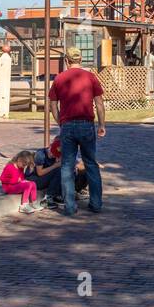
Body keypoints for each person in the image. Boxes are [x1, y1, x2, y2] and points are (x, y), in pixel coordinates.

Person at [47, 49, 105, 217]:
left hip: (68, 126)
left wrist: (61, 122)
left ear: (67, 60)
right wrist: (101, 124)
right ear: (81, 59)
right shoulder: (90, 77)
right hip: (87, 124)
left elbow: (52, 105)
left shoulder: (59, 78)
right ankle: (95, 203)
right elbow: (99, 103)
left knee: (67, 165)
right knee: (91, 164)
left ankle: (70, 206)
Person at [0, 45, 13, 118]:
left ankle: (2, 112)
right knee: (4, 94)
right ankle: (3, 112)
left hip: (4, 83)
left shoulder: (3, 57)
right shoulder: (6, 57)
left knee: (3, 94)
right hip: (4, 83)